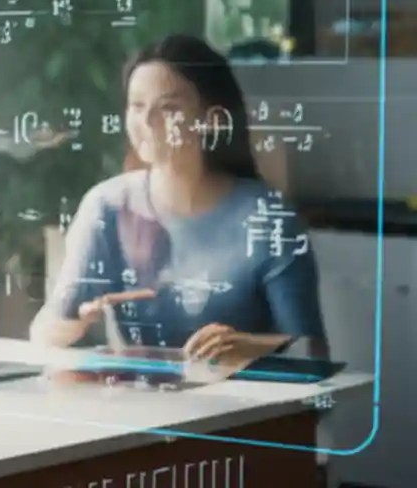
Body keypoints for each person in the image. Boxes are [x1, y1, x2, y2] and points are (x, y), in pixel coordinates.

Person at [29, 35, 328, 365]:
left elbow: (313, 353)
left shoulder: (269, 217)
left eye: (169, 108)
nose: (147, 123)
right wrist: (73, 323)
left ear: (214, 119)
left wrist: (250, 348)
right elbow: (45, 331)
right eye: (137, 106)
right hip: (141, 404)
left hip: (243, 408)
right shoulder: (106, 206)